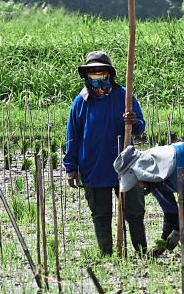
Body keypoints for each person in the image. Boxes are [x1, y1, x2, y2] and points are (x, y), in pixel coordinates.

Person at [62, 50, 146, 255]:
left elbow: (140, 127)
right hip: (94, 167)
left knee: (134, 212)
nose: (98, 77)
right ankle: (107, 253)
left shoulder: (124, 97)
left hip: (125, 166)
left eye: (101, 73)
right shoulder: (81, 102)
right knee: (101, 215)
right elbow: (72, 137)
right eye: (93, 73)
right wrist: (71, 168)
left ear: (109, 74)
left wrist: (132, 121)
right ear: (87, 76)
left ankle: (142, 252)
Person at [113, 138, 184, 260]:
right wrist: (163, 242)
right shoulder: (154, 182)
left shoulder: (172, 164)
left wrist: (176, 232)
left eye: (137, 181)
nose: (138, 185)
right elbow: (171, 212)